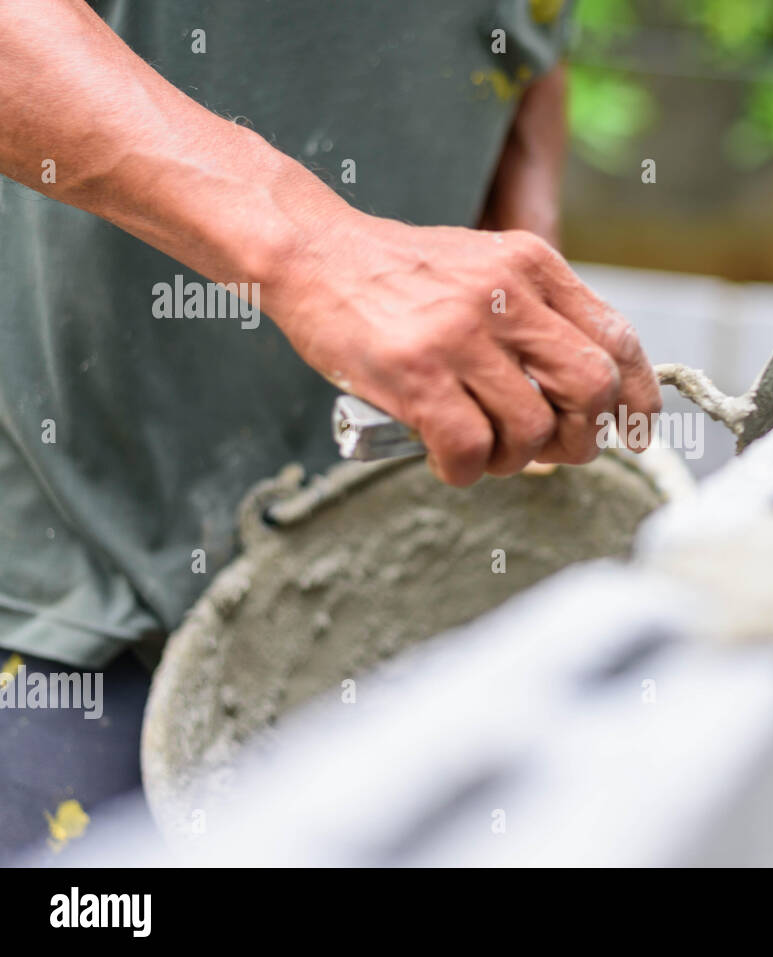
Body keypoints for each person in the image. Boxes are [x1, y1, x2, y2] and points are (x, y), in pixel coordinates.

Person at [0, 0, 660, 860]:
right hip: (59, 618)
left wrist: (519, 277)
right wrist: (311, 250)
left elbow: (519, 42)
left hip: (361, 614)